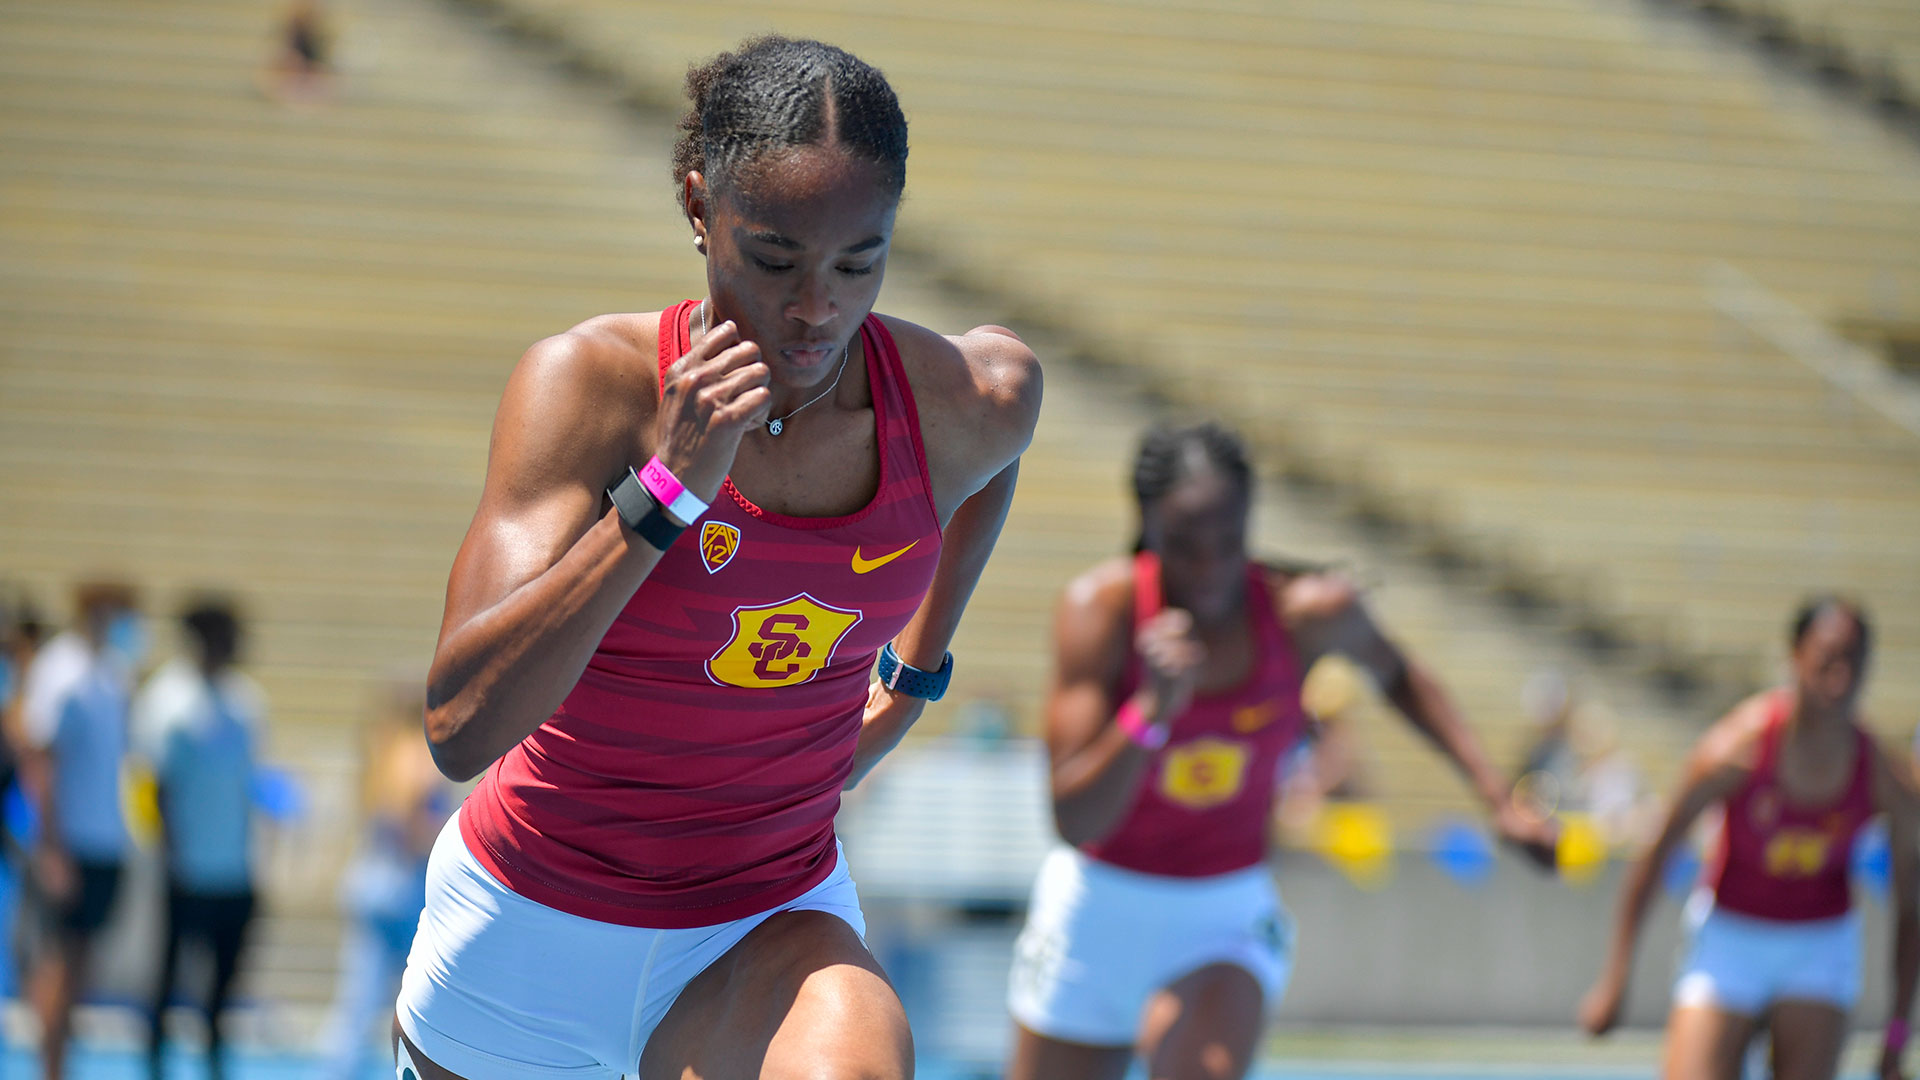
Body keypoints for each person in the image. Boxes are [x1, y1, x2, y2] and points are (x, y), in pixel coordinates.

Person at [395, 35, 1041, 1080]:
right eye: (775, 258)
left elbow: (1002, 443)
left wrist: (915, 681)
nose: (816, 309)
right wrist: (668, 492)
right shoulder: (591, 387)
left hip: (764, 927)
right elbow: (461, 726)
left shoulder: (961, 402)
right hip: (529, 938)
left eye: (859, 261)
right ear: (700, 209)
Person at [1005, 422, 1557, 1080]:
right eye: (1183, 546)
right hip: (1097, 911)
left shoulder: (1308, 613)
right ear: (1144, 524)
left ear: (1250, 522)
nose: (1208, 570)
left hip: (1224, 918)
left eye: (1228, 543)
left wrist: (1498, 796)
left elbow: (1400, 676)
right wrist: (1150, 709)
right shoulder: (1101, 611)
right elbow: (1075, 818)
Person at [1579, 598, 1918, 1080]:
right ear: (1795, 656)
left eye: (1854, 663)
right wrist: (1615, 979)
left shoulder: (1884, 776)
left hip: (1818, 945)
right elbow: (1656, 855)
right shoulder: (1734, 751)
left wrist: (1897, 1034)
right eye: (1827, 661)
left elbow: (1912, 906)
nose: (1840, 679)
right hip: (1729, 938)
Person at [133, 599, 265, 1080]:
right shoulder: (167, 700)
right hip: (185, 867)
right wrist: (169, 855)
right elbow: (154, 787)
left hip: (235, 866)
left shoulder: (246, 700)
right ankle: (154, 1062)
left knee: (224, 981)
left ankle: (213, 1063)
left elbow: (247, 784)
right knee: (169, 974)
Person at [18, 582, 139, 1080]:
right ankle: (49, 1068)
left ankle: (61, 1064)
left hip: (106, 841)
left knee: (83, 965)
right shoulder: (60, 672)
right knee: (57, 963)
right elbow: (41, 760)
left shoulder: (113, 674)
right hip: (70, 845)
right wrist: (52, 846)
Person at [316, 676, 452, 1080]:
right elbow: (413, 821)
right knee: (417, 1002)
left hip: (371, 882)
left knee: (358, 1001)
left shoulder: (381, 751)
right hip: (401, 888)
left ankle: (336, 1071)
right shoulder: (415, 754)